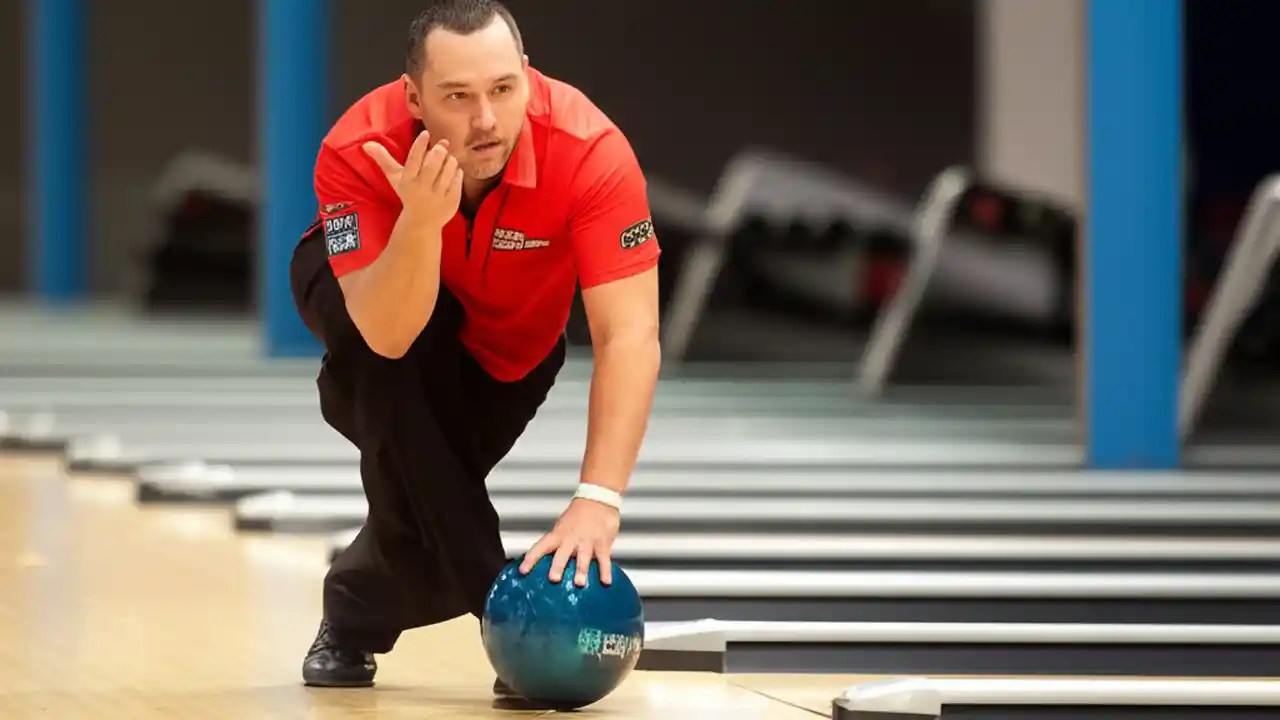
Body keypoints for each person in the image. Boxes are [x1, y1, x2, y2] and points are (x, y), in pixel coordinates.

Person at [288, 0, 661, 695]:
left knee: (422, 491)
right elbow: (386, 335)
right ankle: (503, 611)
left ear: (526, 74)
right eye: (457, 97)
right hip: (372, 316)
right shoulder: (359, 145)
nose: (485, 120)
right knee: (403, 384)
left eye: (502, 89)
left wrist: (597, 500)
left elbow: (629, 333)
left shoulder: (590, 152)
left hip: (508, 356)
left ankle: (351, 614)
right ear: (414, 98)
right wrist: (421, 226)